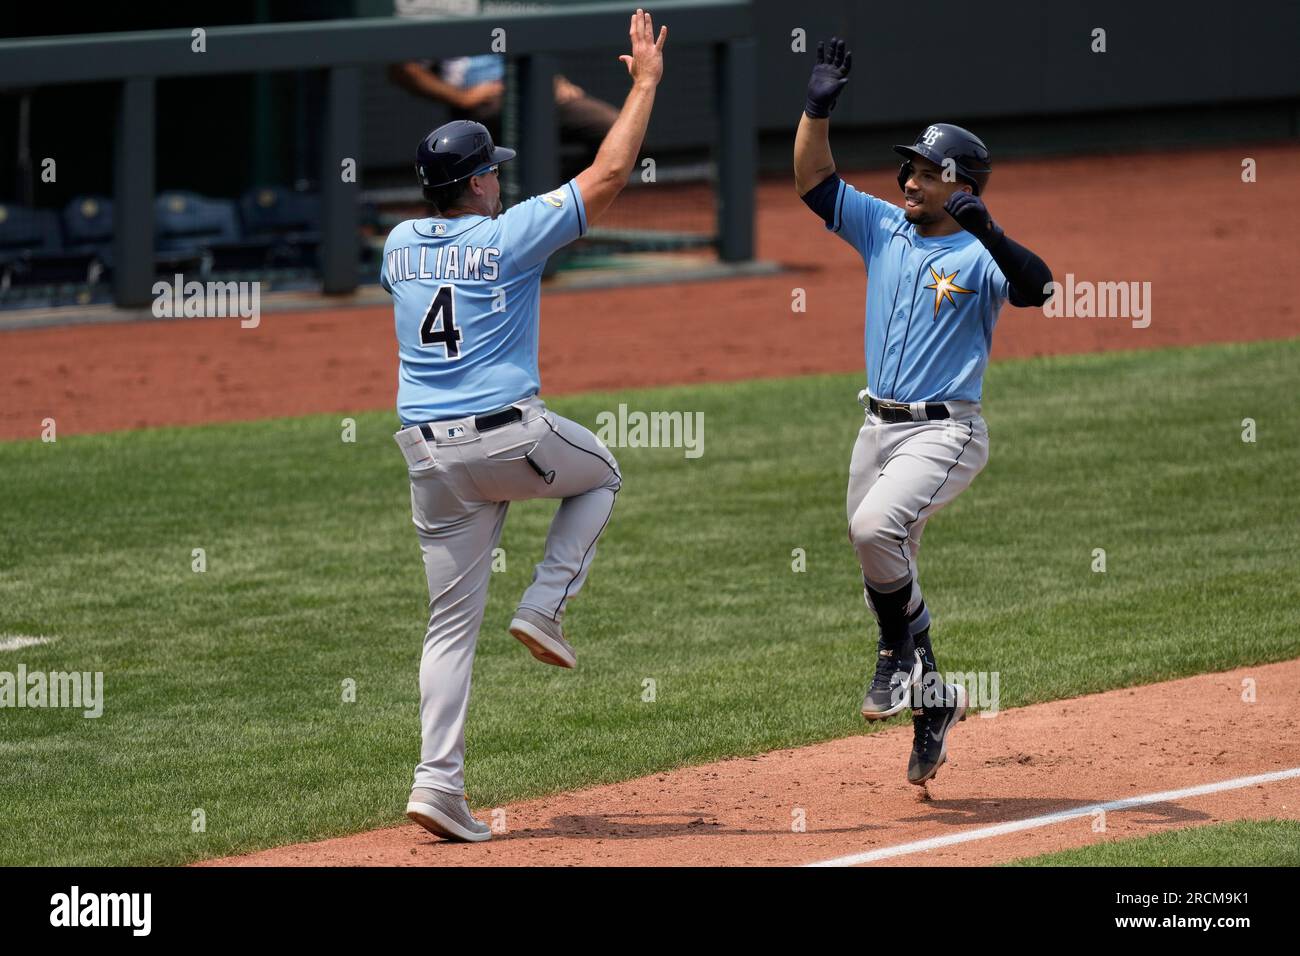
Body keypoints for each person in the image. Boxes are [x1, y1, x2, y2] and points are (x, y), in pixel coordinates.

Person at [381, 8, 667, 843]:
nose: (499, 180)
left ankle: (437, 784)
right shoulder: (507, 238)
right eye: (492, 172)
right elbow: (610, 173)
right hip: (509, 439)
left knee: (448, 628)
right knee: (605, 471)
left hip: (427, 461)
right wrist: (644, 83)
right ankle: (545, 605)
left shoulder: (397, 245)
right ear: (475, 184)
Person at [793, 38, 1054, 786]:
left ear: (962, 185)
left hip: (947, 429)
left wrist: (990, 230)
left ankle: (893, 657)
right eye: (907, 166)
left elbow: (1041, 290)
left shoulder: (982, 256)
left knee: (876, 530)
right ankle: (933, 700)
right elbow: (814, 181)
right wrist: (817, 107)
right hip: (875, 426)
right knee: (882, 552)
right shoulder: (885, 226)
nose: (908, 177)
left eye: (926, 170)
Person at [389, 1, 621, 181]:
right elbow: (403, 69)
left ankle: (553, 197)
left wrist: (552, 78)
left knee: (618, 131)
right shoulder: (440, 8)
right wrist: (461, 97)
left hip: (532, 85)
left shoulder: (509, 7)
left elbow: (531, 41)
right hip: (486, 101)